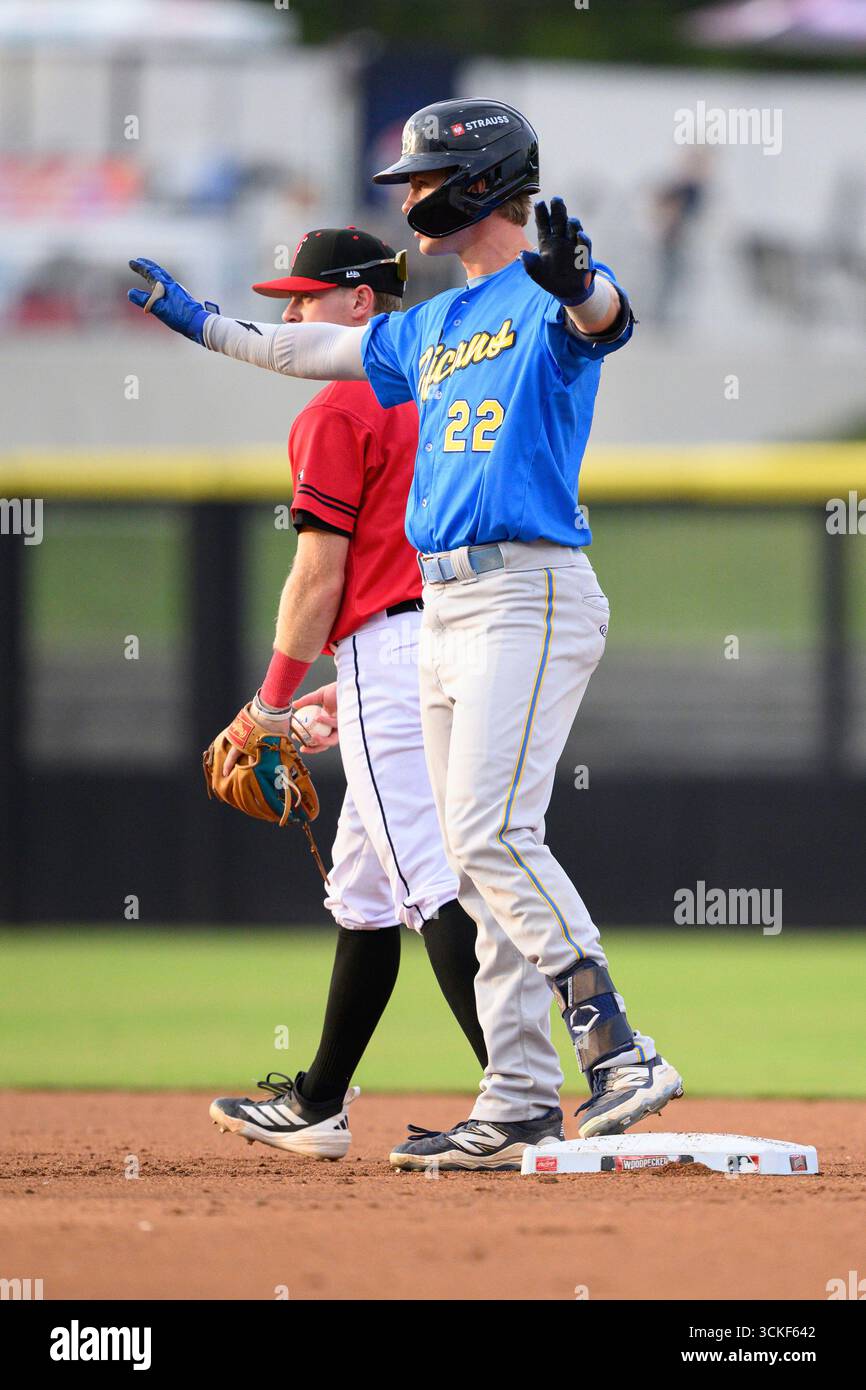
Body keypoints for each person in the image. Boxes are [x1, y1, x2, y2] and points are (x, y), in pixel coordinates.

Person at [129, 98, 683, 1173]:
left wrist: (577, 281)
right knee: (468, 868)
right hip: (442, 607)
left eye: (425, 178)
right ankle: (517, 1098)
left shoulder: (545, 288)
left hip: (526, 588)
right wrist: (200, 323)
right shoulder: (433, 322)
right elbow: (310, 351)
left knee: (484, 835)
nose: (410, 197)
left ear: (482, 181)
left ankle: (615, 1051)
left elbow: (605, 318)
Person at [196, 228, 488, 1160]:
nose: (288, 319)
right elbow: (390, 569)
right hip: (445, 634)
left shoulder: (338, 408)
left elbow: (317, 579)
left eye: (304, 299)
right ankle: (320, 1101)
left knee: (432, 883)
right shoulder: (441, 388)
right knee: (365, 886)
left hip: (392, 659)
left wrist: (269, 707)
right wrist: (339, 686)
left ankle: (515, 1102)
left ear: (361, 304)